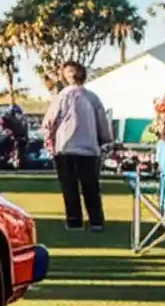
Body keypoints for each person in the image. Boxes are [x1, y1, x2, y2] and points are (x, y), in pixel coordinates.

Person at [41, 61, 113, 231]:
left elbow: (49, 122)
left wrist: (49, 141)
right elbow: (103, 124)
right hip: (87, 149)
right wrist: (105, 140)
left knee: (70, 187)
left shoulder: (62, 97)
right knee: (91, 187)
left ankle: (75, 221)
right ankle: (96, 221)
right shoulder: (90, 97)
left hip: (66, 148)